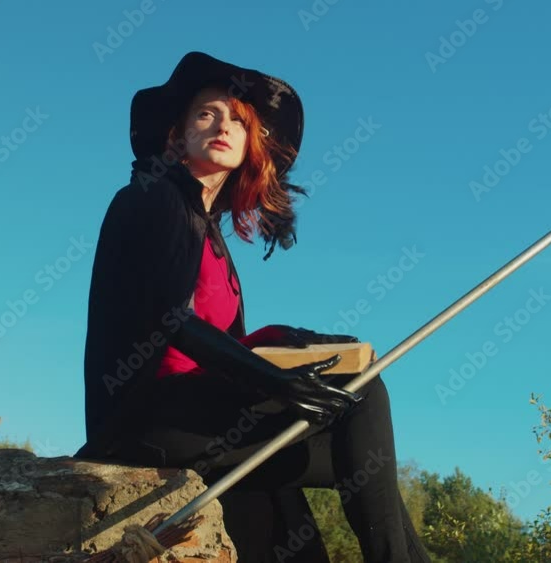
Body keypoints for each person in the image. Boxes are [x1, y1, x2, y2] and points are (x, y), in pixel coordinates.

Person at [74, 51, 432, 563]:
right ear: (177, 132)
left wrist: (295, 343)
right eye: (207, 114)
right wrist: (277, 382)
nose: (222, 126)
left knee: (364, 458)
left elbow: (229, 344)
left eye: (239, 122)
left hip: (206, 420)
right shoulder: (154, 198)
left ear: (251, 145)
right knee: (366, 392)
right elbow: (170, 320)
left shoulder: (210, 235)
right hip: (146, 419)